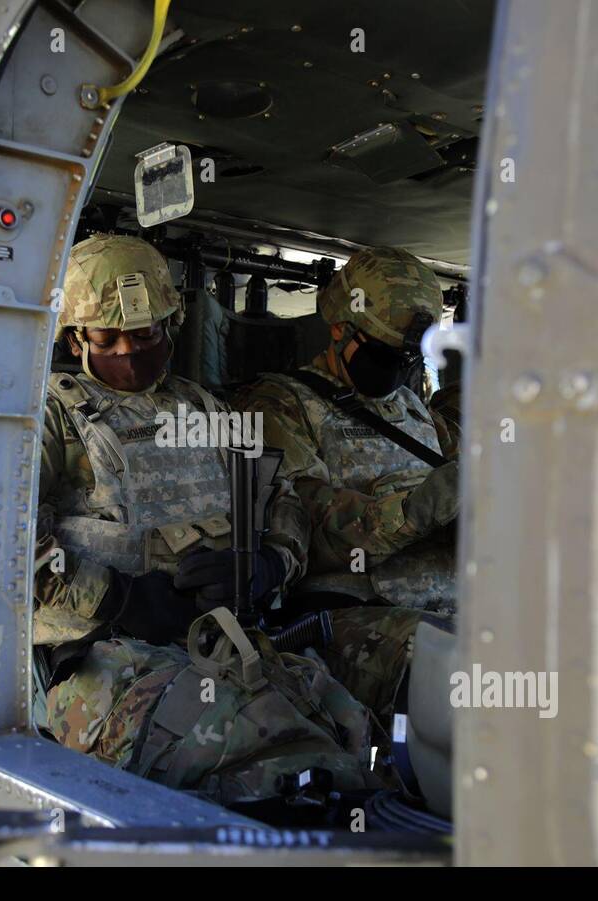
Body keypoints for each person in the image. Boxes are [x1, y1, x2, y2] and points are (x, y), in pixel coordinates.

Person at [36, 234, 380, 805]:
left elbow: (281, 500)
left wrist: (266, 563)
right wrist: (117, 597)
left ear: (170, 328)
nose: (128, 349)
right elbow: (2, 534)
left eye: (145, 334)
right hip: (104, 660)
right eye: (107, 336)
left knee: (356, 736)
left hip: (220, 642)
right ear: (76, 338)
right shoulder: (51, 417)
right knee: (273, 759)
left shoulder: (206, 409)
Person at [232, 246, 462, 728]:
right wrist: (418, 510)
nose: (399, 371)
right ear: (339, 328)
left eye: (409, 358)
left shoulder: (415, 409)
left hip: (446, 603)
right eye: (384, 354)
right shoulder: (278, 404)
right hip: (346, 615)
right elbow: (304, 523)